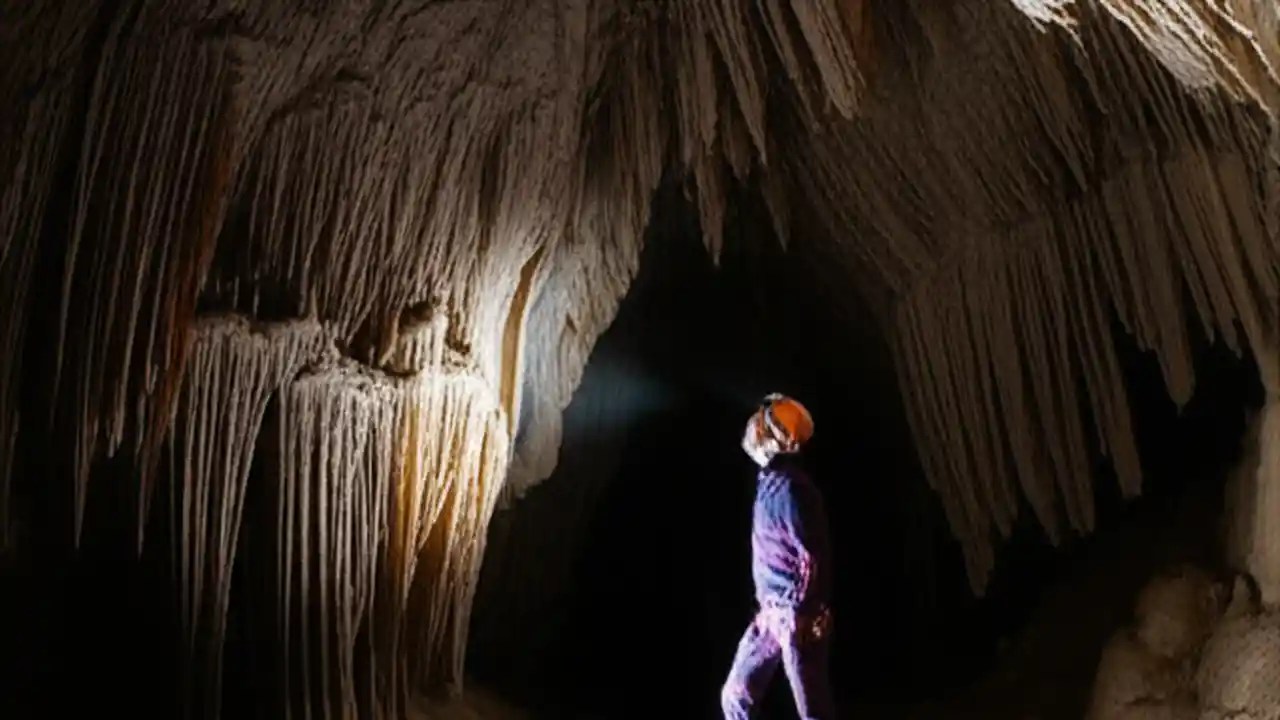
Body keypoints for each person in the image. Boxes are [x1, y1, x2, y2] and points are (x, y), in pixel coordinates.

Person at [721, 393, 836, 720]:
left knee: (812, 710)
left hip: (793, 614)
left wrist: (806, 610)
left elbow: (811, 556)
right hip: (772, 612)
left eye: (763, 425)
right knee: (735, 696)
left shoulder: (791, 489)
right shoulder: (771, 483)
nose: (755, 431)